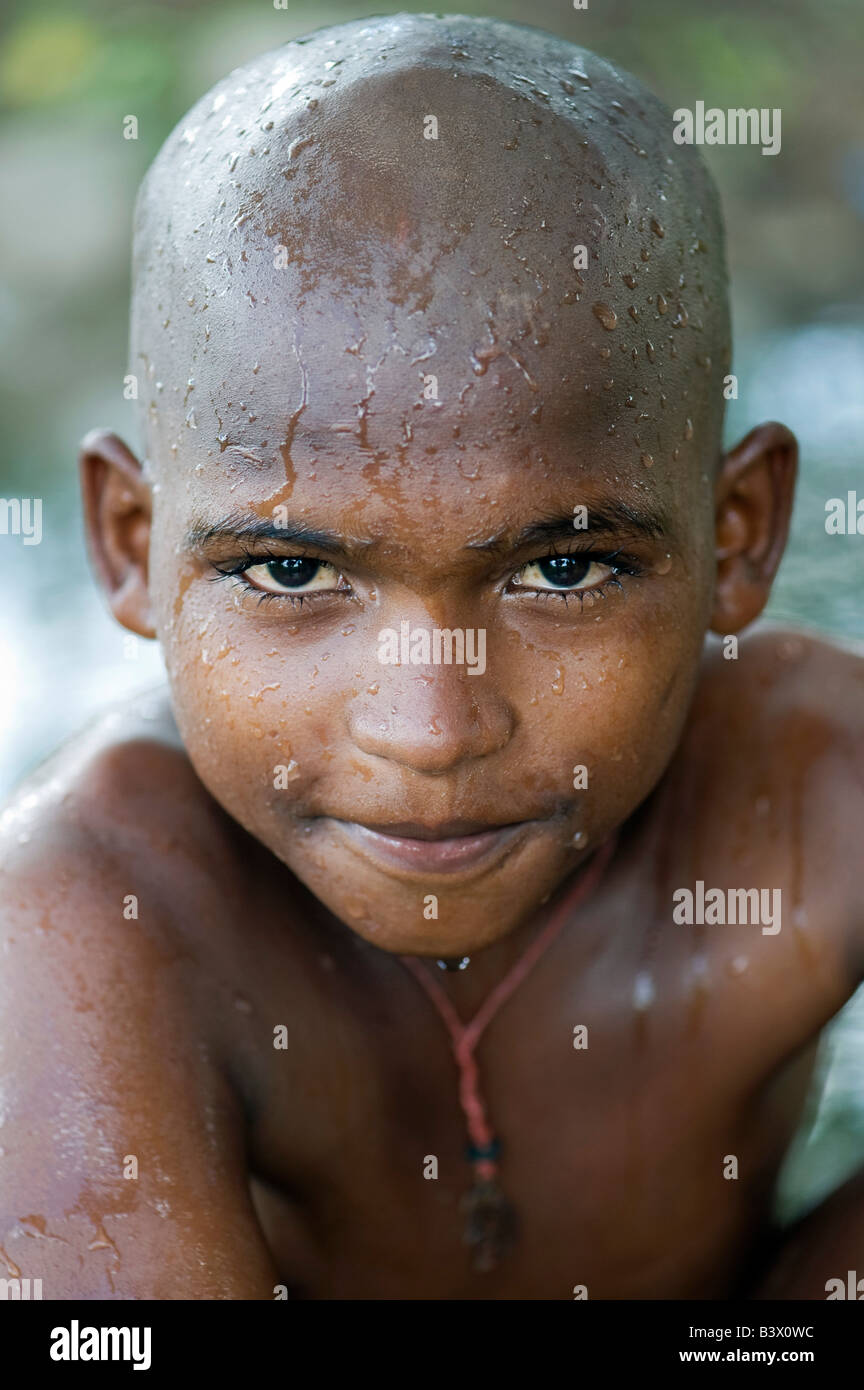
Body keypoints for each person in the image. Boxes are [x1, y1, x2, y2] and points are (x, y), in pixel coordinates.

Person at [1, 13, 861, 1299]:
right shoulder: (93, 915)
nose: (431, 730)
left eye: (561, 570)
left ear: (740, 535)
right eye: (292, 572)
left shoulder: (819, 802)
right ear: (130, 547)